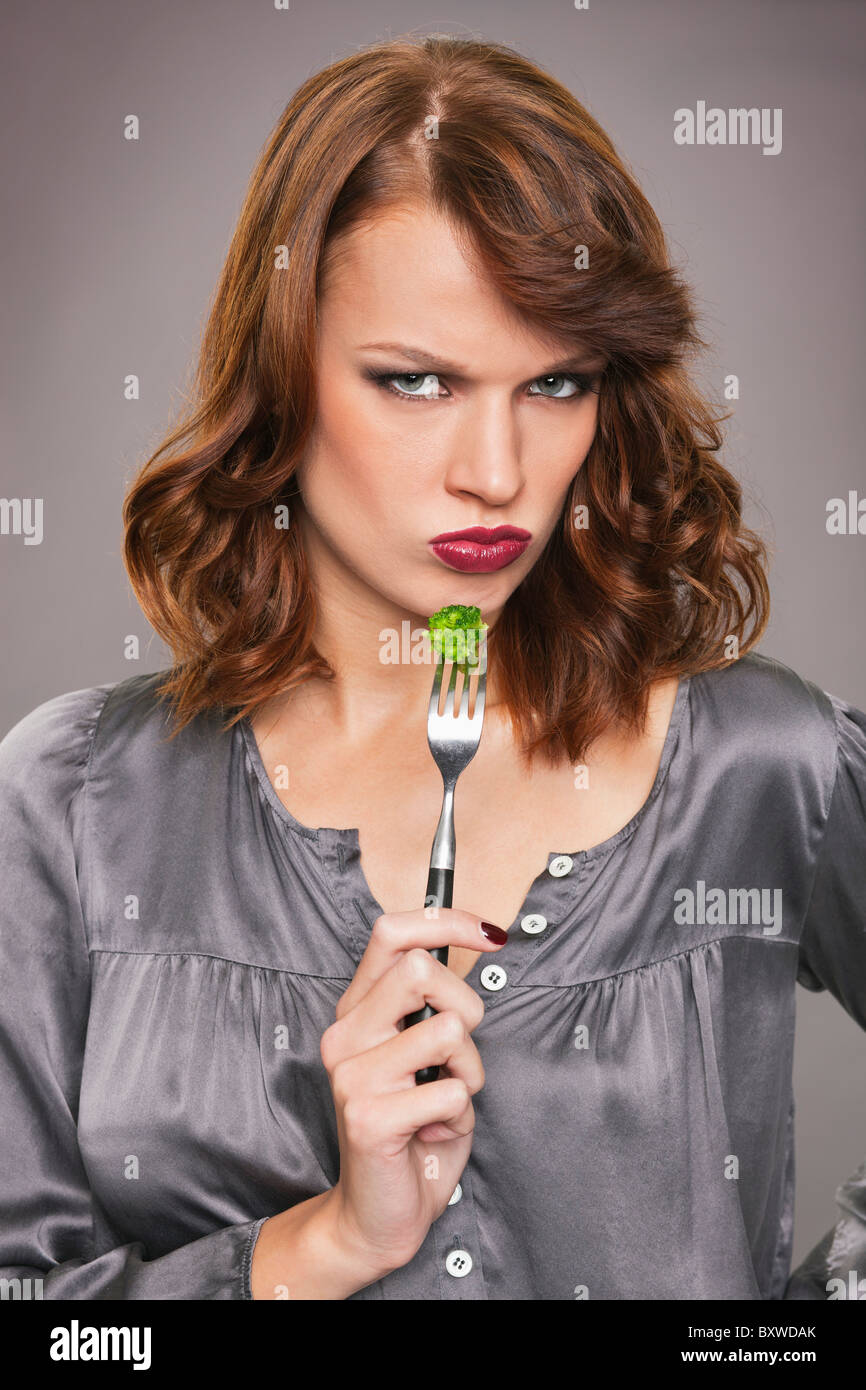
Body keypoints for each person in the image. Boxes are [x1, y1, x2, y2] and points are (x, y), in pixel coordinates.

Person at [1, 33, 864, 1302]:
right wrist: (317, 1246)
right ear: (279, 369)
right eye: (416, 381)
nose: (497, 473)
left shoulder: (759, 765)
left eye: (555, 382)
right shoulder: (74, 808)